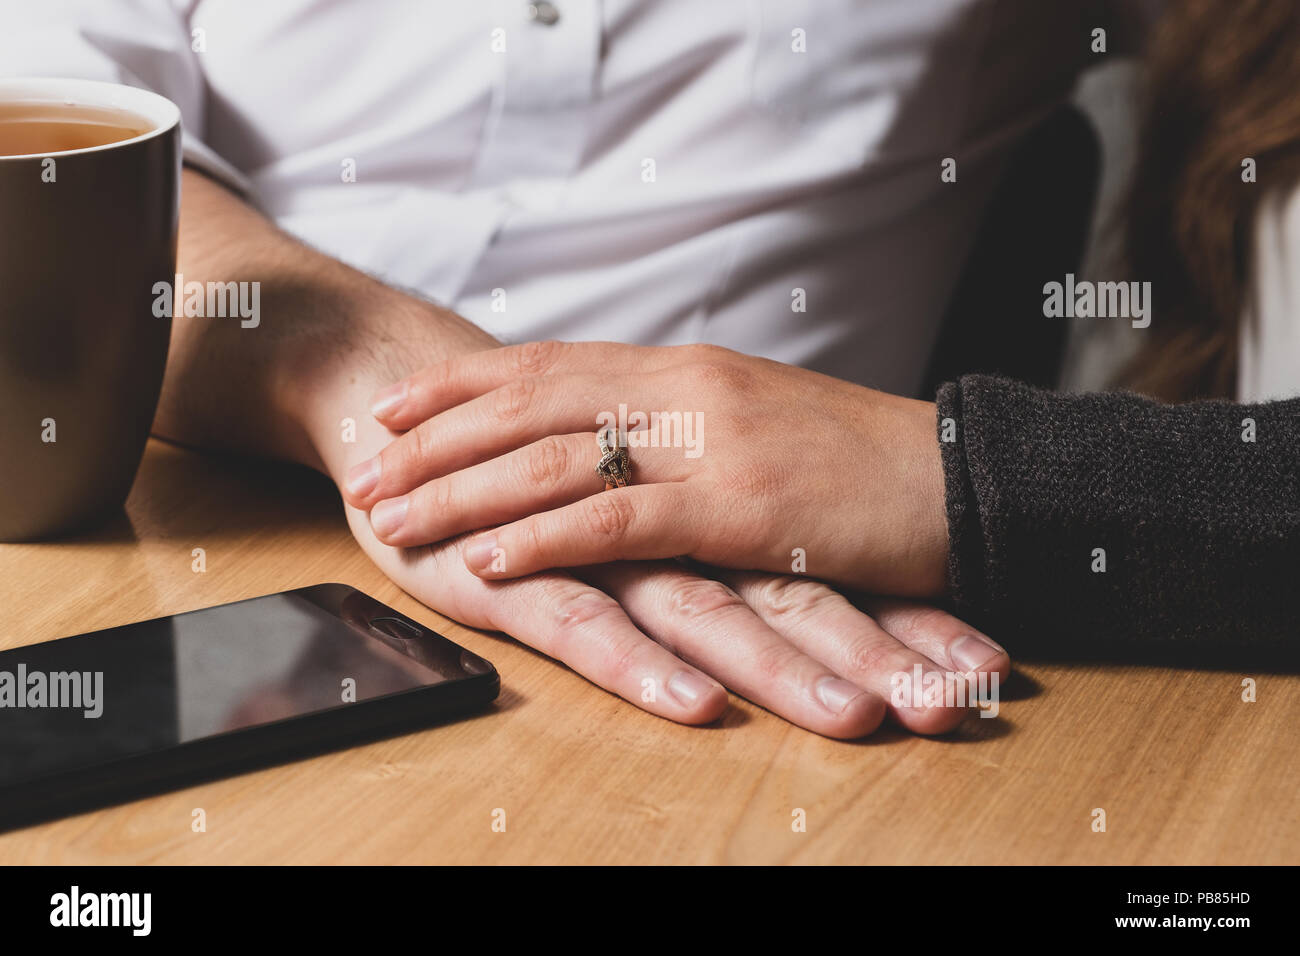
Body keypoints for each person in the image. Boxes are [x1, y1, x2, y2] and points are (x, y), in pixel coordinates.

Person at [8, 1, 1127, 738]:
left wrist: (972, 478)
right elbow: (47, 143)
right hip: (164, 533)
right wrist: (400, 392)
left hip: (714, 628)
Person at [341, 0, 1300, 665]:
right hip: (282, 488)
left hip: (730, 610)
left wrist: (951, 474)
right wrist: (410, 415)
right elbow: (186, 175)